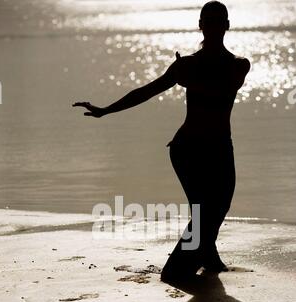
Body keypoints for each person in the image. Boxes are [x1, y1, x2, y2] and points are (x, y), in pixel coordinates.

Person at [73, 1, 250, 283]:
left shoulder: (238, 65)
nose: (215, 26)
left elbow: (223, 89)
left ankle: (208, 256)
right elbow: (147, 91)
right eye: (210, 20)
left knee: (213, 208)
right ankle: (177, 269)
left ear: (226, 26)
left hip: (220, 147)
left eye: (220, 21)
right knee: (207, 211)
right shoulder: (187, 65)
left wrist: (188, 80)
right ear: (201, 25)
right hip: (188, 149)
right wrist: (106, 110)